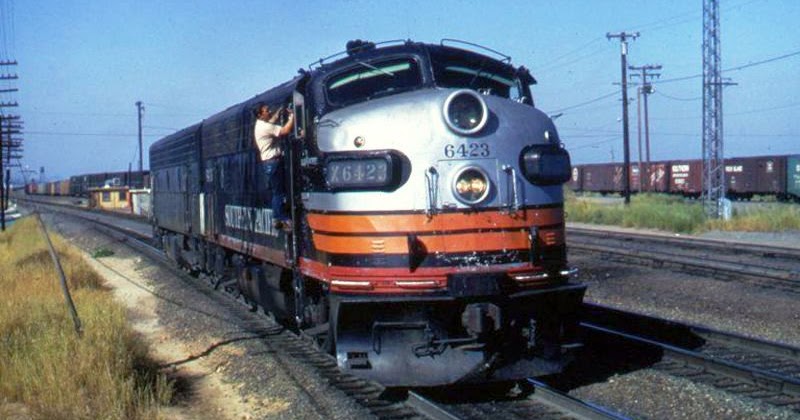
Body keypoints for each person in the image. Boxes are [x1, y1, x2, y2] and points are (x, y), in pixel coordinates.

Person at [253, 103, 295, 230]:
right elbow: (284, 130)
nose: (269, 111)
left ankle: (278, 217)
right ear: (260, 114)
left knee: (277, 192)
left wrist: (278, 113)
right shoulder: (265, 128)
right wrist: (292, 117)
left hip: (269, 163)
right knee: (279, 193)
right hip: (273, 162)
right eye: (266, 111)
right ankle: (281, 218)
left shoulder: (260, 125)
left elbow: (271, 122)